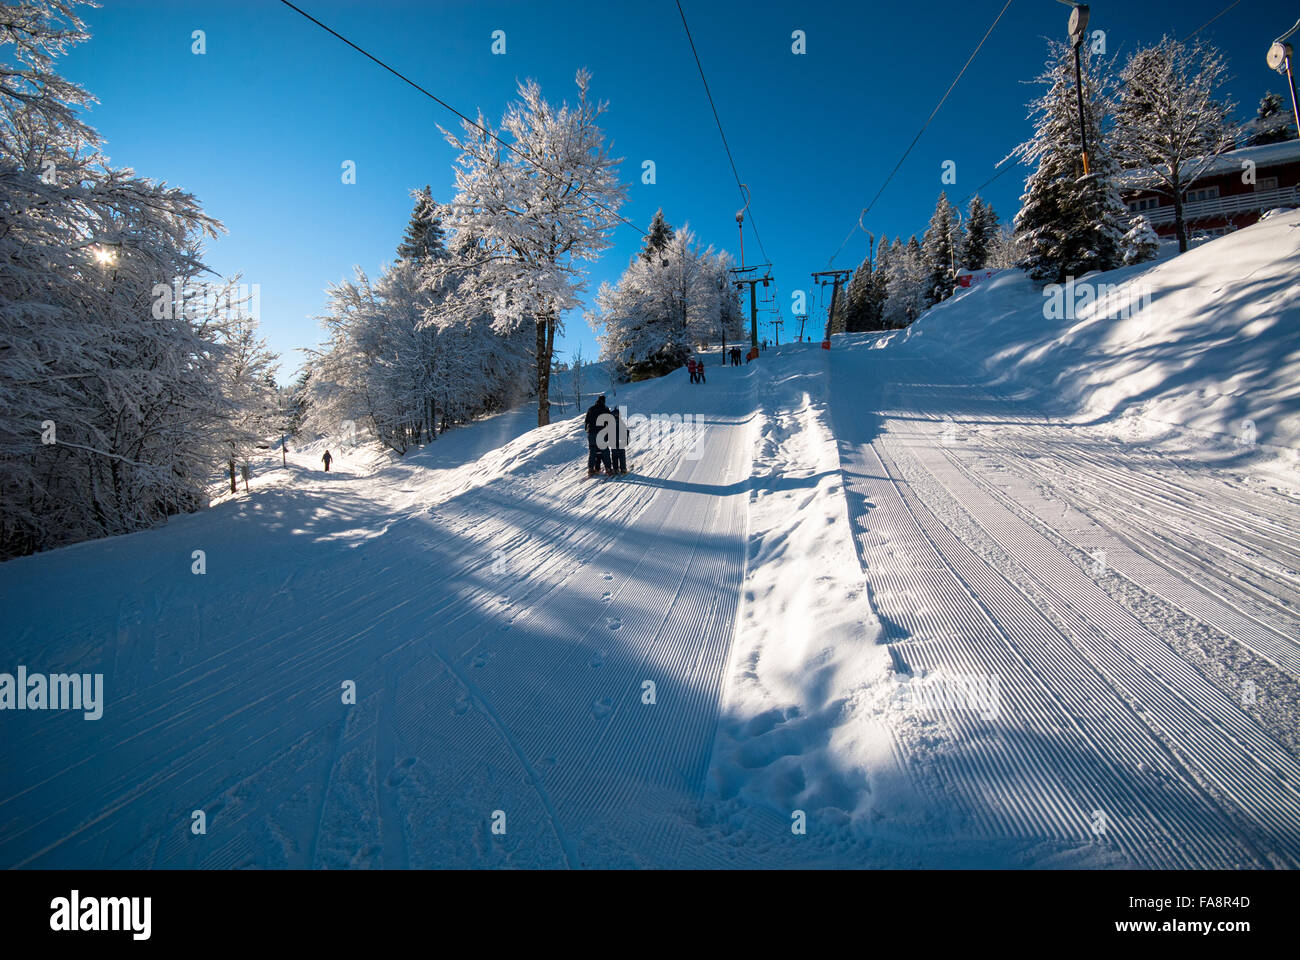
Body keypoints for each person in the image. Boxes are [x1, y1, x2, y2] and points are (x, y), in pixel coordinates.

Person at [584, 395, 613, 477]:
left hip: (591, 433)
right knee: (605, 451)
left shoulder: (591, 409)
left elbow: (586, 422)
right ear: (604, 401)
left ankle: (590, 469)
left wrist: (588, 431)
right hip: (601, 433)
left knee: (592, 450)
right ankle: (608, 469)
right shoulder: (605, 409)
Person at [608, 405, 630, 475]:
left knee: (614, 456)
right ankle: (623, 469)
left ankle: (615, 469)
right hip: (621, 443)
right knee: (621, 455)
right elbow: (626, 432)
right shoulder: (621, 423)